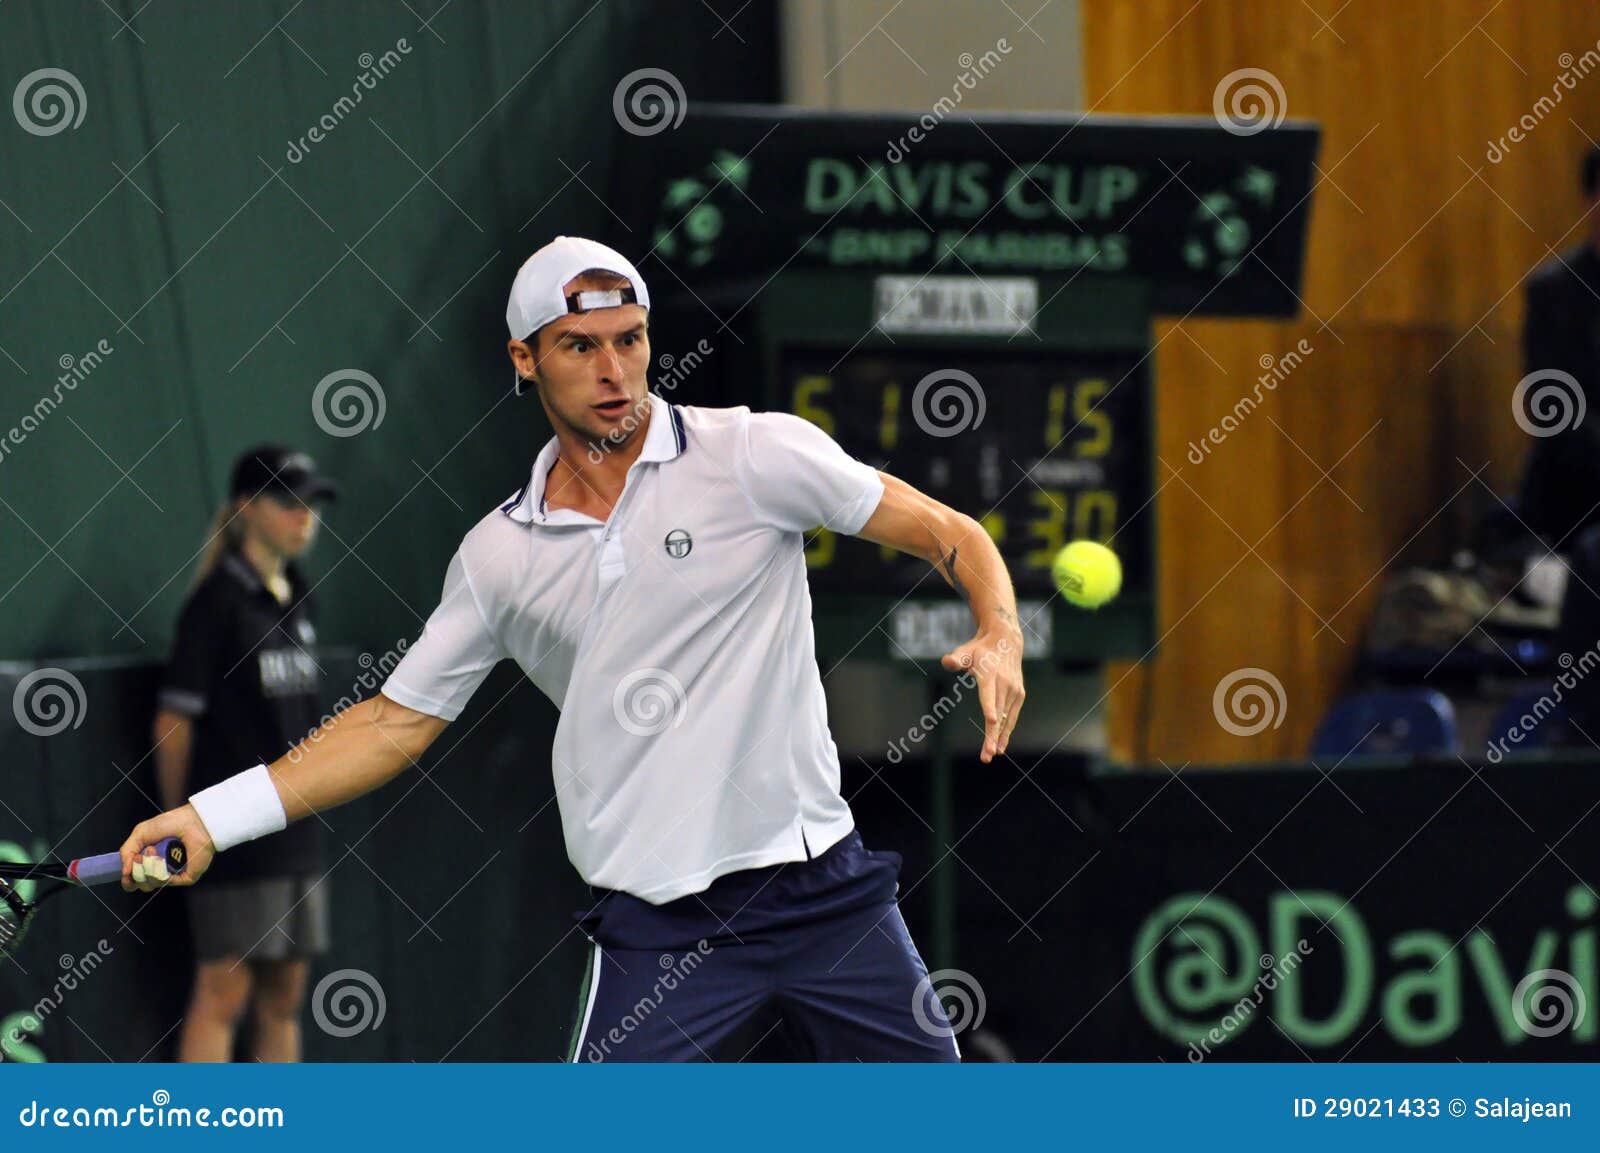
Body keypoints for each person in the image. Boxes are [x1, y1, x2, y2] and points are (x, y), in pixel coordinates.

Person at [120, 236, 1026, 1062]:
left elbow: (948, 532)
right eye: (580, 346)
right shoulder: (498, 556)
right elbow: (392, 722)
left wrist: (1000, 630)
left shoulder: (757, 453)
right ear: (525, 359)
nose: (614, 370)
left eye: (630, 339)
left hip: (824, 893)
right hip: (660, 931)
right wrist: (211, 817)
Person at [151, 447, 337, 1062]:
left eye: (311, 503)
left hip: (297, 828)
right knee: (222, 992)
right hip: (231, 834)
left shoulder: (301, 595)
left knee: (285, 996)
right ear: (246, 508)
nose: (303, 516)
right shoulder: (214, 606)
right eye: (288, 502)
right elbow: (174, 721)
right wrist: (181, 818)